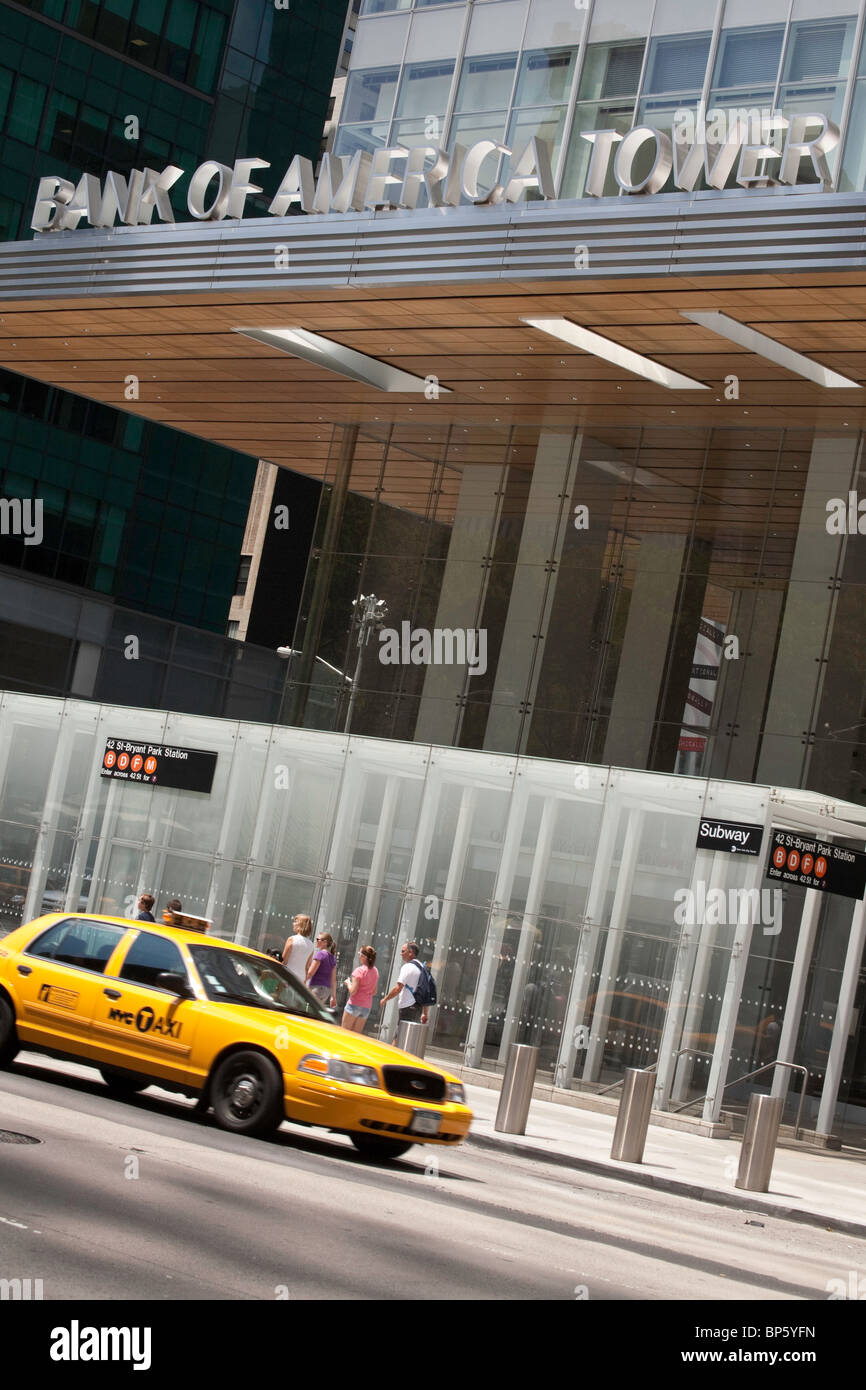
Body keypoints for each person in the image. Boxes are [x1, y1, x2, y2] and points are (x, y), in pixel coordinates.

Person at [379, 940, 428, 1036]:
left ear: (410, 953)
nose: (401, 954)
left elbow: (398, 988)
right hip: (417, 1008)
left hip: (407, 1007)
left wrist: (385, 999)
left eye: (403, 951)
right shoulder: (422, 967)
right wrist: (425, 1013)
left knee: (399, 1037)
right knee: (408, 1038)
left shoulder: (407, 967)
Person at [342, 945, 379, 1033]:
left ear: (363, 956)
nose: (359, 956)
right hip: (366, 1007)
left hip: (354, 1004)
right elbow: (374, 991)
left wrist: (348, 983)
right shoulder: (375, 971)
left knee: (343, 1034)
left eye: (359, 953)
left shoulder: (359, 971)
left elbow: (353, 991)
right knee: (356, 1037)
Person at [306, 931, 336, 1007]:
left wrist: (302, 981)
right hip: (326, 991)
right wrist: (333, 997)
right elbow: (333, 980)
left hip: (316, 988)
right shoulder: (332, 958)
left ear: (325, 942)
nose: (316, 941)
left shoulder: (320, 954)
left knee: (308, 1011)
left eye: (317, 939)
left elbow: (310, 973)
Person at [282, 914, 315, 981]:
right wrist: (305, 981)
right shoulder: (311, 945)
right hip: (301, 978)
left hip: (288, 974)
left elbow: (284, 960)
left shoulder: (292, 939)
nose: (293, 923)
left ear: (300, 925)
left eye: (295, 921)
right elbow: (307, 967)